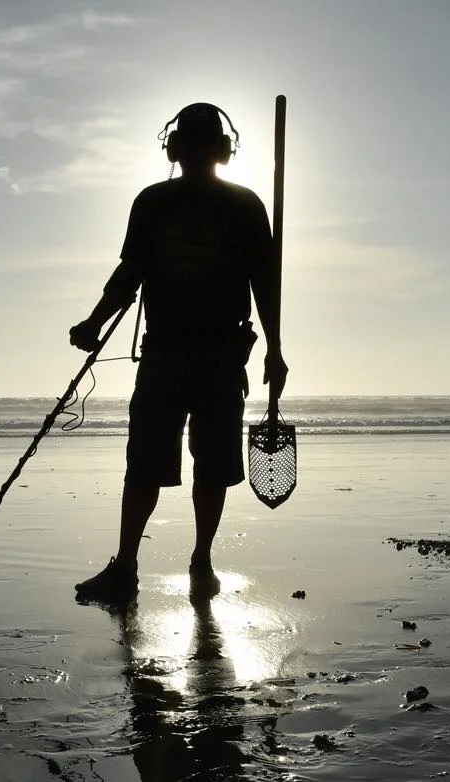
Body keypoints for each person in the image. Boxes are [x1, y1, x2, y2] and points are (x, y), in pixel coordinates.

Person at [70, 102, 288, 602]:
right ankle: (125, 568)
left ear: (219, 150)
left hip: (222, 353)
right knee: (144, 463)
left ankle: (201, 562)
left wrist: (275, 349)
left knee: (212, 465)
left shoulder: (246, 206)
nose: (192, 150)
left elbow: (265, 283)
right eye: (186, 141)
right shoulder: (152, 203)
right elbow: (130, 273)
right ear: (176, 147)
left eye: (200, 141)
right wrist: (95, 321)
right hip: (164, 352)